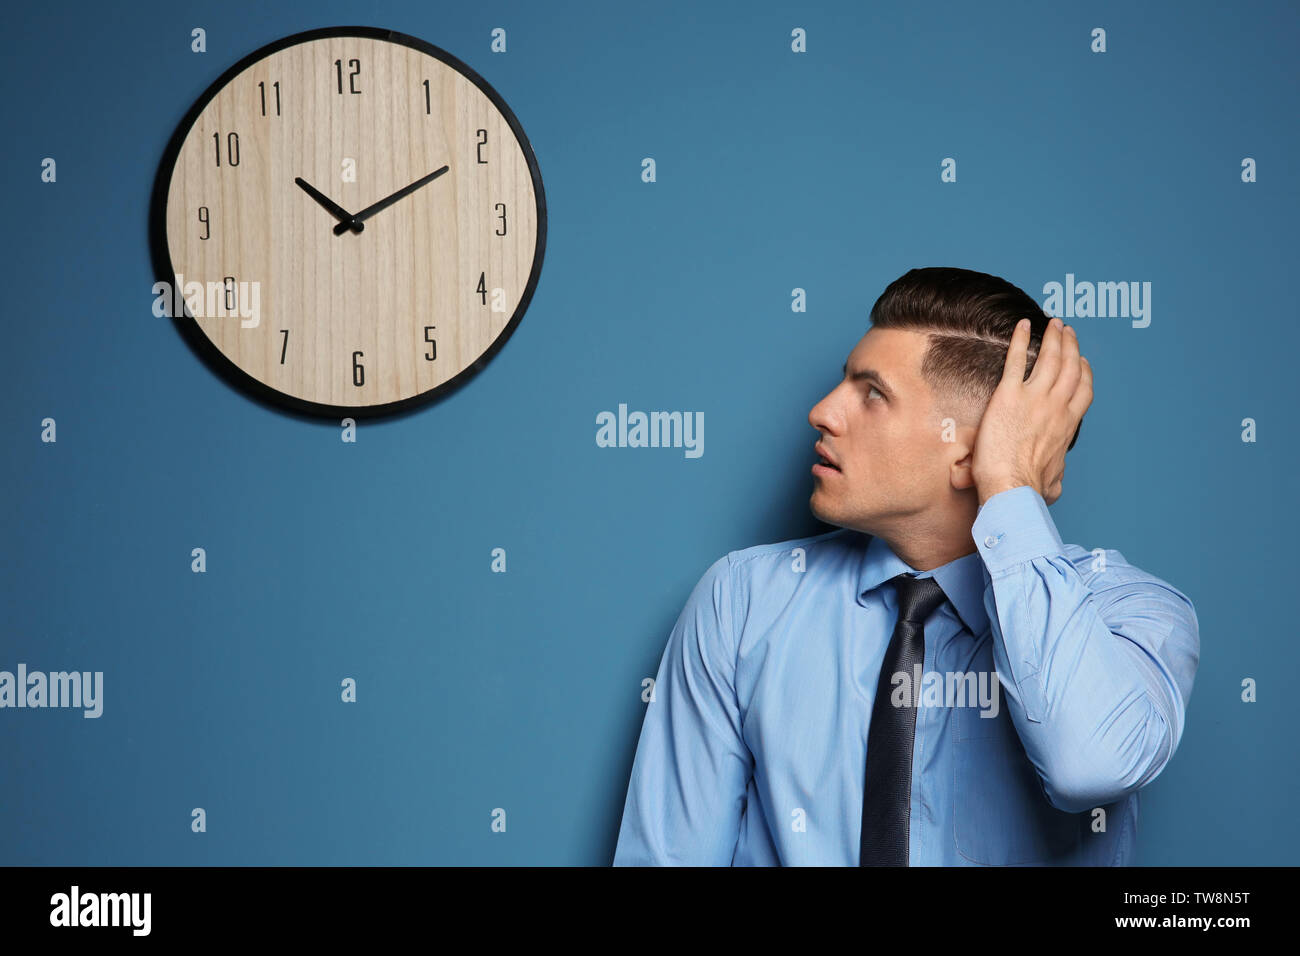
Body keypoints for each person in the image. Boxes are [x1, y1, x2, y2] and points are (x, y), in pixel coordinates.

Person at [612, 266, 1199, 866]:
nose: (821, 411)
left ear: (971, 449)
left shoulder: (1132, 614)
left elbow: (1088, 767)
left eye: (872, 393)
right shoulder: (741, 602)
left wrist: (1010, 485)